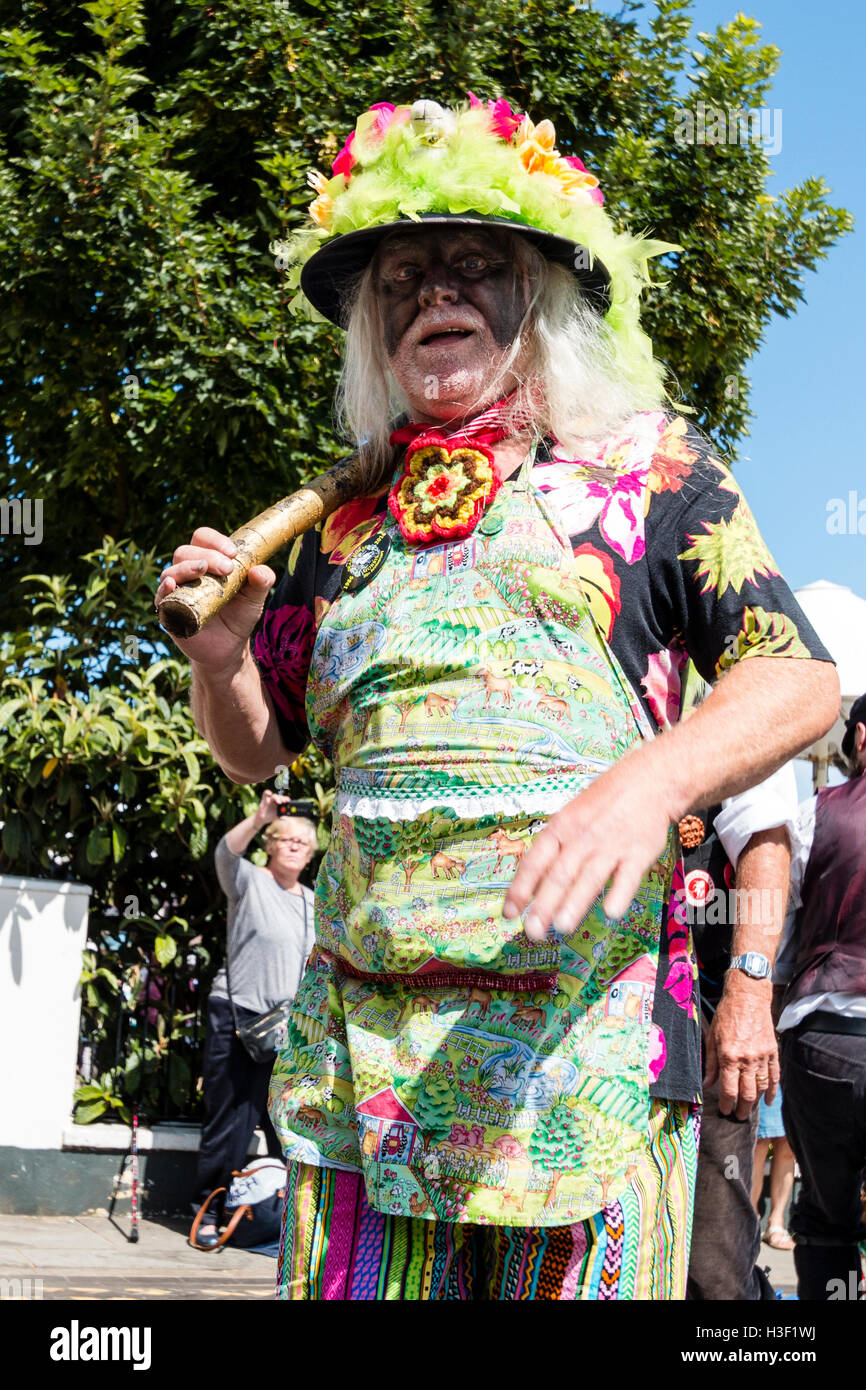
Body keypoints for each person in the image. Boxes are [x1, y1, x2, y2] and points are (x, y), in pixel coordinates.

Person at [157, 96, 839, 1299]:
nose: (435, 294)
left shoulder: (653, 472)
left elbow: (796, 677)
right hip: (368, 1070)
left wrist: (647, 787)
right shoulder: (336, 526)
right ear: (373, 327)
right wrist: (219, 662)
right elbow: (260, 757)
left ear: (543, 305)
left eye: (476, 267)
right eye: (403, 277)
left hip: (586, 1058)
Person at [683, 757, 797, 1300]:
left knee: (715, 1267)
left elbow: (764, 831)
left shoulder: (729, 690)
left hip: (705, 1024)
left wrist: (750, 991)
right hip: (582, 1015)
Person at [190, 791, 317, 1248]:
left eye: (303, 842)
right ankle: (208, 1208)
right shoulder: (248, 882)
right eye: (286, 839)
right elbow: (225, 852)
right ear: (270, 844)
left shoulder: (311, 901)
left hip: (283, 1027)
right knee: (230, 1120)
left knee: (283, 1124)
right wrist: (261, 816)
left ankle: (283, 1218)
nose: (295, 847)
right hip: (238, 1013)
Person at [776, 693, 866, 1300]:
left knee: (828, 1216)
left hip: (825, 1036)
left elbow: (779, 936)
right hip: (826, 1033)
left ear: (859, 740)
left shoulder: (814, 813)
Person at [751, 1093, 796, 1251]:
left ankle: (776, 1223)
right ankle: (751, 1217)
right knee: (760, 1138)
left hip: (798, 1073)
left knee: (789, 1144)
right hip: (768, 1074)